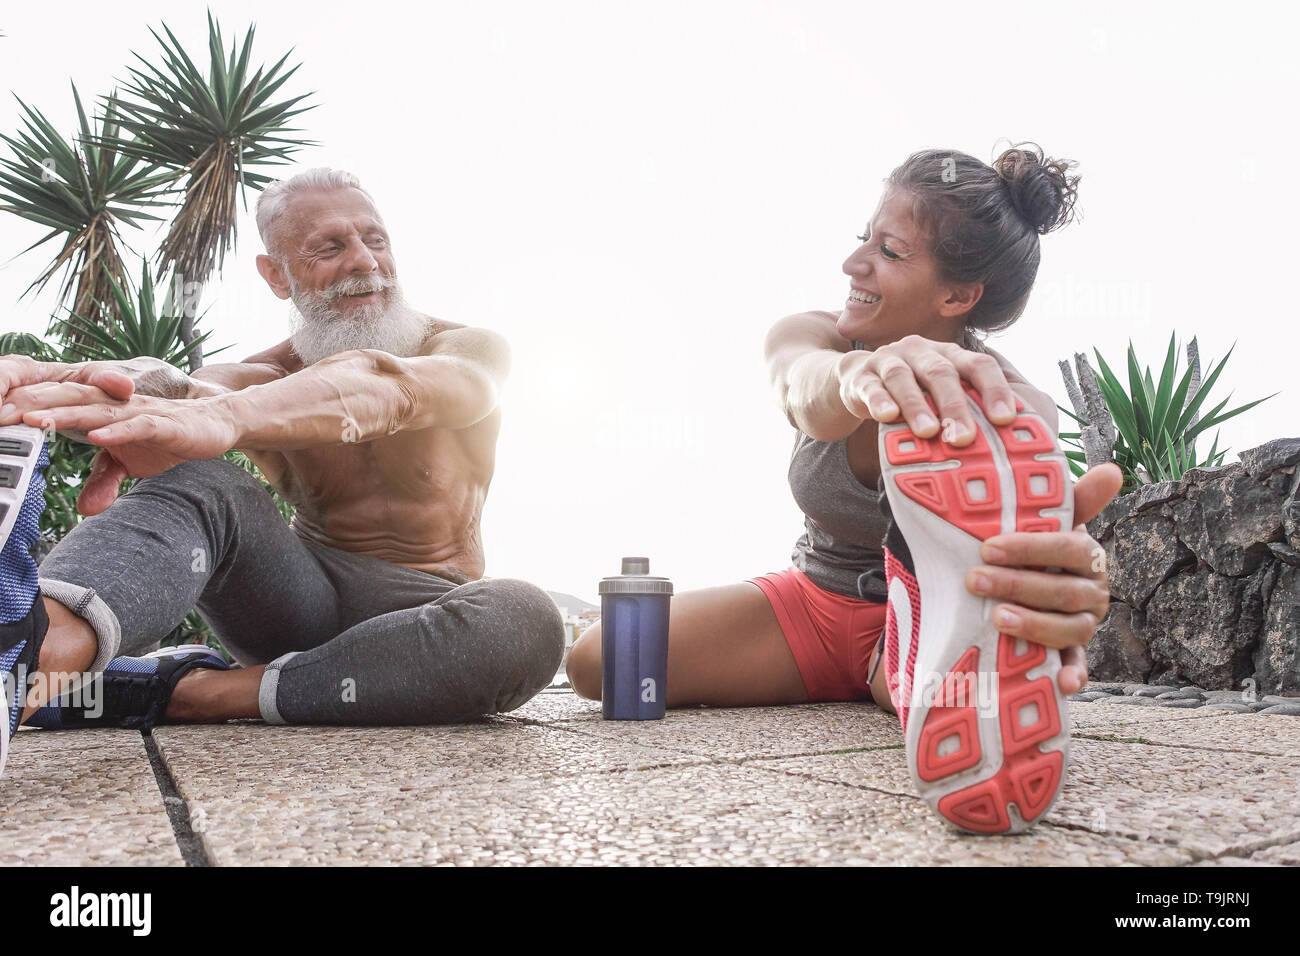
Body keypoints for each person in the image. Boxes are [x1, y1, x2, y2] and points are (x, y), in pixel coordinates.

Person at [566, 143, 1124, 833]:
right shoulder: (814, 339)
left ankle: (933, 660)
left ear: (957, 296)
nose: (852, 264)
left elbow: (1046, 542)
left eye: (888, 250)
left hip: (915, 623)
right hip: (810, 602)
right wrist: (860, 379)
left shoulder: (1011, 408)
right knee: (599, 663)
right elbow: (800, 387)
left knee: (954, 692)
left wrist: (1068, 577)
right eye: (863, 239)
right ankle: (922, 674)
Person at [0, 168, 564, 776]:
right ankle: (26, 661)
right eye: (329, 246)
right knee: (207, 482)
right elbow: (184, 385)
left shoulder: (464, 350)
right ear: (276, 275)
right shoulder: (266, 375)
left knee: (525, 619)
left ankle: (191, 693)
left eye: (375, 240)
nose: (363, 263)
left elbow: (389, 385)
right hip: (298, 607)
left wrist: (229, 416)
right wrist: (107, 385)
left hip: (425, 620)